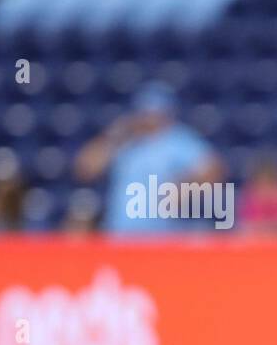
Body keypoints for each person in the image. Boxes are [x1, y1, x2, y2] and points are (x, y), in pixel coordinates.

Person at [74, 83, 224, 235]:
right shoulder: (125, 140)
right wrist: (113, 137)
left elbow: (213, 171)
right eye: (145, 113)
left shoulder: (179, 139)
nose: (149, 118)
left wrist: (185, 189)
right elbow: (86, 169)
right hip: (119, 234)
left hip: (159, 237)